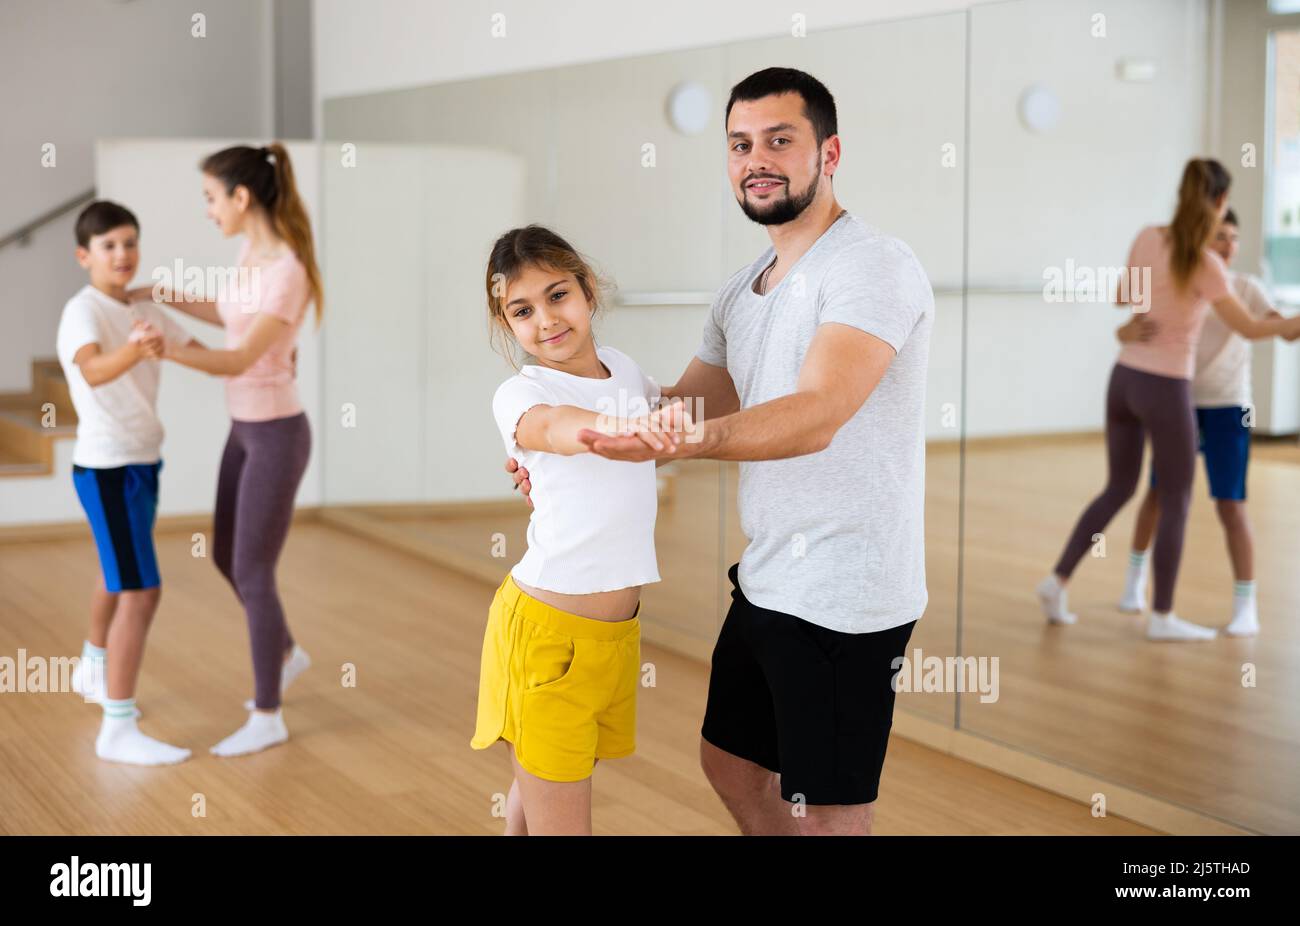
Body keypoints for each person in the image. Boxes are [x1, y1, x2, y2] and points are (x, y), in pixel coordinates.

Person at [510, 67, 934, 836]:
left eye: (780, 139)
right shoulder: (743, 291)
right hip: (771, 575)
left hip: (846, 591)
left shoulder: (870, 266)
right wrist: (573, 450)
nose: (757, 158)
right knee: (731, 763)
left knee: (832, 811)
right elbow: (678, 409)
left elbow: (816, 416)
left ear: (829, 152)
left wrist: (686, 441)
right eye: (741, 144)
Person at [471, 224, 688, 835]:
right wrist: (609, 433)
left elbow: (664, 419)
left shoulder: (622, 369)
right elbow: (553, 425)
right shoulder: (521, 392)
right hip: (545, 638)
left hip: (612, 642)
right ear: (506, 324)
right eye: (522, 310)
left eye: (557, 295)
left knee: (539, 782)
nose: (545, 319)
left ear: (588, 290)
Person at [1037, 160, 1300, 641]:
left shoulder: (1148, 236)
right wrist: (1289, 324)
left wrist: (1137, 322)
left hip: (1125, 378)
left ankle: (1057, 582)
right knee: (1177, 496)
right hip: (1165, 387)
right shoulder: (1206, 264)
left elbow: (1123, 296)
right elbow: (1250, 328)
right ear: (1220, 201)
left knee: (1120, 487)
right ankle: (1161, 616)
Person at [132, 143, 321, 755]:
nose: (209, 210)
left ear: (242, 198)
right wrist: (160, 293)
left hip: (277, 435)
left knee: (252, 570)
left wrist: (167, 350)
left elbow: (240, 357)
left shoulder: (288, 270)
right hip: (244, 429)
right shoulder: (252, 255)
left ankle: (269, 714)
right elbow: (229, 315)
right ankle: (285, 651)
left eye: (212, 198)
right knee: (223, 555)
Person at [57, 200, 196, 765]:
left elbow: (196, 350)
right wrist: (135, 348)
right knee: (141, 588)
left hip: (142, 461)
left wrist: (262, 357)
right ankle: (117, 727)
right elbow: (90, 369)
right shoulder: (83, 310)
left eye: (130, 243)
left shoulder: (143, 305)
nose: (123, 254)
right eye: (109, 245)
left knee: (116, 572)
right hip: (107, 466)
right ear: (84, 255)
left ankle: (93, 663)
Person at [1115, 209, 1278, 637]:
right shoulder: (1184, 284)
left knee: (1231, 505)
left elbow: (1275, 326)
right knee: (1157, 495)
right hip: (1180, 403)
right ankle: (1134, 584)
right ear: (1202, 242)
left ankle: (1247, 605)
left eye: (1233, 237)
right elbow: (1128, 328)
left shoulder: (1246, 288)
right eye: (1218, 236)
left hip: (1229, 408)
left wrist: (1289, 325)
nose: (1227, 244)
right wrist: (1128, 333)